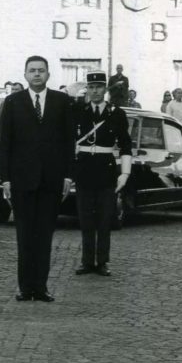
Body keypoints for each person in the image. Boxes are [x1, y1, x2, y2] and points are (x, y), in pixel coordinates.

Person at [0, 56, 74, 302]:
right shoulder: (13, 102)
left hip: (51, 180)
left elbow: (69, 141)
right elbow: (5, 143)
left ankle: (40, 287)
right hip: (22, 181)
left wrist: (68, 176)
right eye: (32, 70)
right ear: (25, 75)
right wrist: (5, 179)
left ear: (48, 74)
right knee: (24, 235)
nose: (37, 74)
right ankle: (24, 287)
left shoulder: (62, 101)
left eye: (41, 70)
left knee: (44, 235)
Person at [72, 71, 132, 276]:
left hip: (106, 171)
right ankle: (87, 261)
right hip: (84, 170)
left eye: (98, 87)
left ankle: (103, 262)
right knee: (85, 219)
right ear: (87, 89)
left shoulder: (117, 113)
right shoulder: (79, 110)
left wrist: (125, 173)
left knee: (105, 219)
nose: (95, 91)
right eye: (91, 87)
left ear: (105, 89)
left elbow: (125, 144)